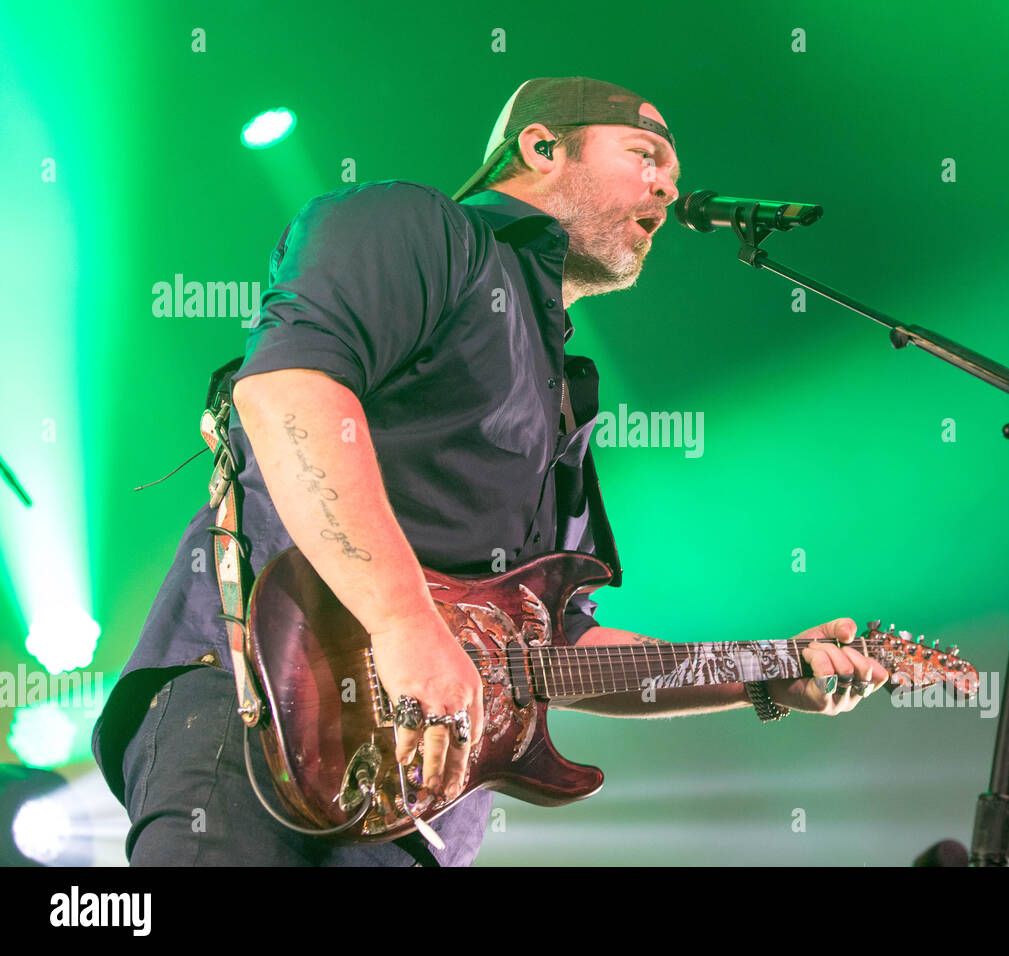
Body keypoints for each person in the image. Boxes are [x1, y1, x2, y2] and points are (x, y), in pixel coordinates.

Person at [92, 76, 889, 867]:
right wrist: (405, 622)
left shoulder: (563, 394)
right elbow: (288, 390)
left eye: (672, 177)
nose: (668, 190)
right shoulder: (414, 226)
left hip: (426, 807)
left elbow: (558, 644)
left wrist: (763, 675)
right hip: (263, 713)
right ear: (541, 147)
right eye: (645, 156)